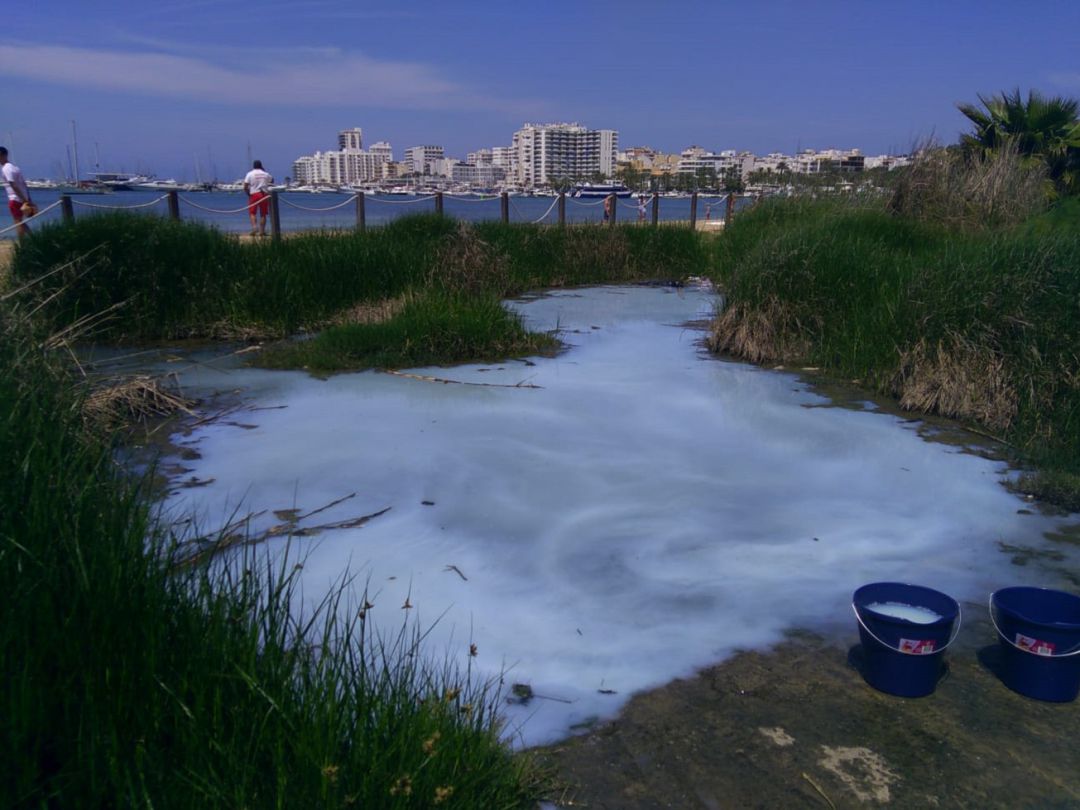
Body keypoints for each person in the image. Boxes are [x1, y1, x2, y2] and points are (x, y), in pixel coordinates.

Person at [1, 146, 34, 238]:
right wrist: (27, 198)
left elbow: (13, 184)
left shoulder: (6, 168)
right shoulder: (15, 167)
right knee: (20, 221)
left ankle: (22, 245)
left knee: (18, 222)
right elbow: (23, 184)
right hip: (20, 198)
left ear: (4, 155)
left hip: (15, 199)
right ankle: (34, 237)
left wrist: (24, 200)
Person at [243, 159, 273, 236]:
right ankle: (262, 231)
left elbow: (245, 186)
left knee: (252, 213)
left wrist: (248, 193)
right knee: (263, 214)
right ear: (261, 166)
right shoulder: (265, 174)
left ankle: (254, 228)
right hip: (263, 194)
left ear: (253, 166)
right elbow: (272, 180)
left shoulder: (250, 174)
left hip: (254, 194)